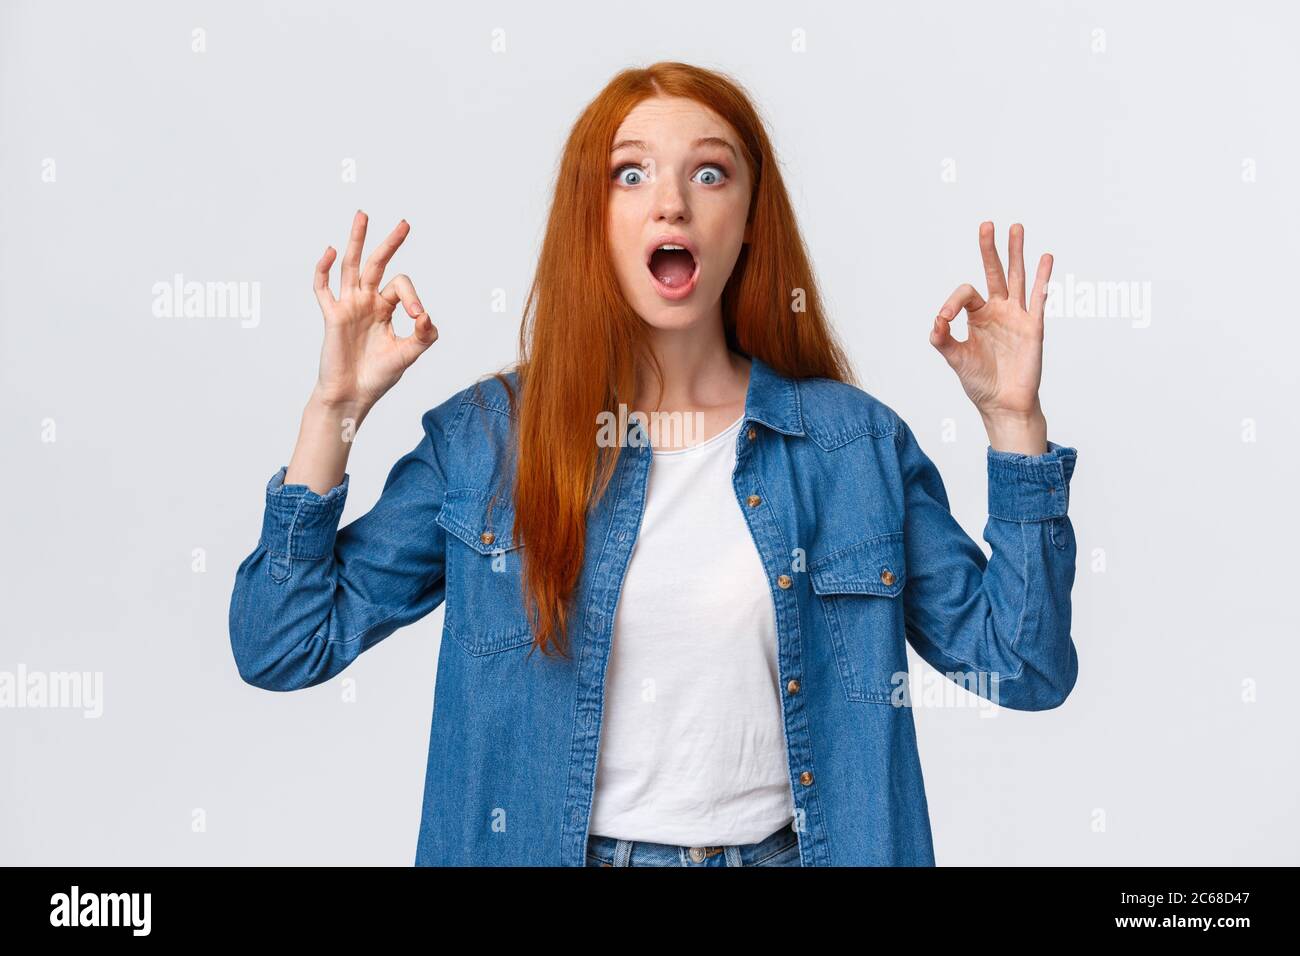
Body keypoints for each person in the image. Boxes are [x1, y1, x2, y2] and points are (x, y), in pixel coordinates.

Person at [228, 61, 1079, 867]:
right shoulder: (488, 443)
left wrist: (1015, 425)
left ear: (748, 221)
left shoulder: (854, 446)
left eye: (710, 174)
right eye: (629, 175)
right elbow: (283, 644)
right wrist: (333, 411)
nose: (670, 203)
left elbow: (1023, 666)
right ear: (590, 218)